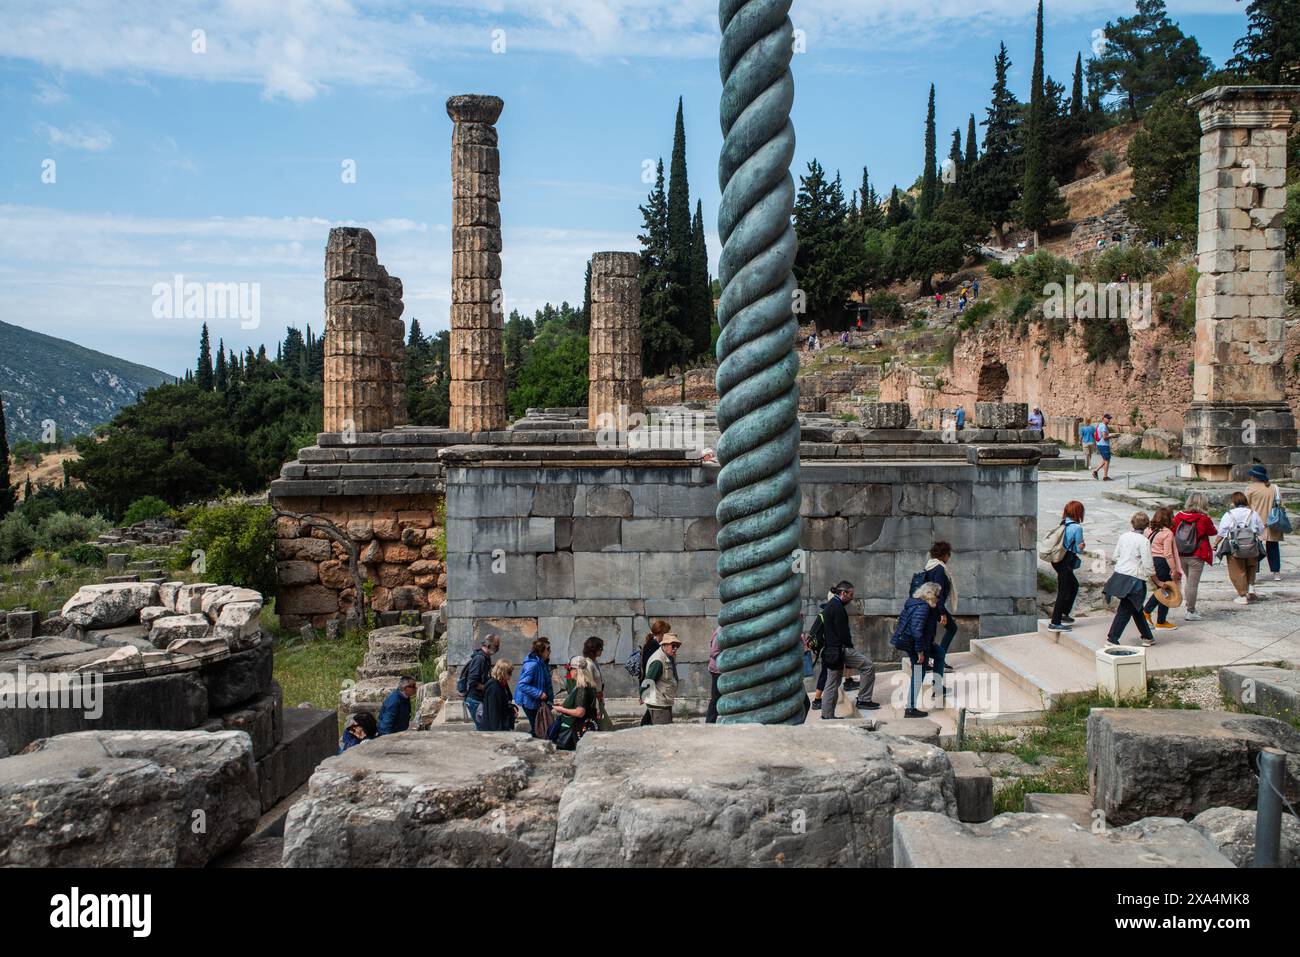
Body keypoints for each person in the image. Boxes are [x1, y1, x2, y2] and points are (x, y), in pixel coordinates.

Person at [820, 580, 879, 719]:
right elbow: (843, 632)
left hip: (832, 650)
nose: (852, 597)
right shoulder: (837, 607)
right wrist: (849, 647)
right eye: (851, 594)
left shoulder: (830, 606)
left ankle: (827, 715)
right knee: (868, 666)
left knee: (832, 683)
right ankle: (864, 699)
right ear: (843, 593)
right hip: (840, 649)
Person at [1103, 512, 1158, 647]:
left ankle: (1147, 637)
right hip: (1134, 579)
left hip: (1120, 575)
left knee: (1136, 608)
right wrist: (1156, 580)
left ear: (1132, 523)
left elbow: (1116, 555)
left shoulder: (1124, 536)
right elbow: (1148, 564)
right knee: (1126, 609)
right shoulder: (1144, 541)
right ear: (1146, 526)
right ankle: (1112, 638)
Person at [891, 581, 942, 718]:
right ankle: (910, 708)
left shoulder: (914, 602)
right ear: (931, 595)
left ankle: (937, 687)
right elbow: (916, 631)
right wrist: (920, 651)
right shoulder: (923, 607)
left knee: (939, 654)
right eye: (938, 595)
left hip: (915, 643)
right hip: (916, 645)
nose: (939, 598)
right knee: (919, 673)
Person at [1173, 492, 1217, 622]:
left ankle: (1189, 607)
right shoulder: (1203, 519)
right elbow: (1212, 531)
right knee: (1193, 584)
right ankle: (1190, 611)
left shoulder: (1179, 516)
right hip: (1197, 554)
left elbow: (1172, 530)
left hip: (1181, 554)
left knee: (1188, 581)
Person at [1217, 491, 1265, 604]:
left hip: (1235, 547)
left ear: (1233, 502)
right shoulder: (1253, 513)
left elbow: (1222, 531)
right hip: (1252, 545)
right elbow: (1261, 529)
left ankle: (1242, 595)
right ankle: (1251, 587)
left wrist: (1215, 544)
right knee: (1251, 566)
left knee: (1237, 570)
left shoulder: (1229, 514)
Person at [920, 542, 958, 684]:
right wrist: (942, 612)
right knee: (952, 628)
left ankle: (934, 658)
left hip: (927, 604)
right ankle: (937, 658)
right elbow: (938, 593)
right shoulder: (940, 570)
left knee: (931, 633)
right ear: (943, 554)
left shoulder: (930, 566)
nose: (950, 556)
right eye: (949, 554)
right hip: (934, 606)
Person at [1142, 508, 1183, 630]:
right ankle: (1149, 613)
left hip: (1150, 560)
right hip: (1162, 563)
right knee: (1166, 589)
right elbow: (1168, 554)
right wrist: (1174, 569)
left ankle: (1160, 619)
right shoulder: (1167, 533)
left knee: (1162, 589)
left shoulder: (1148, 530)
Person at [1048, 501, 1086, 632]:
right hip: (1065, 561)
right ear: (1079, 513)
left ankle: (1064, 613)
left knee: (1073, 585)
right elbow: (1078, 549)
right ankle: (1055, 622)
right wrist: (1081, 547)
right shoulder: (1077, 528)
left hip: (1057, 560)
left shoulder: (1064, 523)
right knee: (1063, 591)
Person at [1246, 465, 1286, 582]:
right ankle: (1276, 572)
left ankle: (1254, 571)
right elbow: (1281, 504)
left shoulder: (1250, 489)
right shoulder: (1274, 488)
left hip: (1256, 522)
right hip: (1273, 521)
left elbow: (1246, 506)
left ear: (1254, 476)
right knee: (1273, 547)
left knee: (1255, 548)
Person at [553, 656, 598, 749]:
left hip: (574, 729)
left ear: (577, 670)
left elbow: (580, 712)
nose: (569, 671)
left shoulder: (582, 688)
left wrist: (561, 709)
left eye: (570, 669)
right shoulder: (588, 685)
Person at [514, 636, 554, 735]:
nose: (550, 651)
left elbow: (547, 684)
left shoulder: (542, 663)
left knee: (540, 727)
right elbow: (522, 685)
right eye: (548, 649)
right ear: (540, 652)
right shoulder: (533, 665)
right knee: (537, 728)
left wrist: (550, 701)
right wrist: (539, 693)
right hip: (529, 702)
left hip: (537, 701)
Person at [640, 633, 682, 724]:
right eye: (673, 646)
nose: (675, 649)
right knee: (664, 734)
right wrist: (642, 695)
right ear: (665, 645)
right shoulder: (658, 661)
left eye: (677, 647)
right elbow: (648, 681)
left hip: (663, 702)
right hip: (659, 705)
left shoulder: (666, 656)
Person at [460, 634, 499, 730]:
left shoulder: (486, 658)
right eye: (496, 646)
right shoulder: (479, 659)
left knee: (485, 728)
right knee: (484, 729)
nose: (498, 649)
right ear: (488, 645)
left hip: (480, 699)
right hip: (475, 700)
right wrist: (488, 688)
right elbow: (472, 681)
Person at [638, 619, 672, 725]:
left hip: (652, 686)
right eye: (666, 633)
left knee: (650, 714)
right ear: (661, 633)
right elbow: (653, 671)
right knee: (654, 711)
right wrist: (643, 693)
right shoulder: (654, 646)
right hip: (653, 688)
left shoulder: (651, 644)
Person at [479, 659, 518, 731]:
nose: (511, 675)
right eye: (509, 673)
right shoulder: (494, 688)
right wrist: (499, 733)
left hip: (503, 724)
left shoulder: (502, 684)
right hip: (496, 729)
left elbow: (506, 701)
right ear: (503, 673)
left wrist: (512, 708)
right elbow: (494, 713)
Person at [581, 636, 611, 731]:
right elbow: (590, 686)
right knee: (602, 726)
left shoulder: (594, 662)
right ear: (594, 649)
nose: (602, 650)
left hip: (599, 698)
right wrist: (596, 705)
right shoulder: (588, 664)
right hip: (594, 701)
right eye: (600, 648)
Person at [706, 626, 722, 724]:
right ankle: (710, 722)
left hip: (720, 669)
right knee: (715, 698)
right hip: (717, 670)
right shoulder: (720, 632)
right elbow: (714, 652)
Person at [1091, 413, 1113, 481]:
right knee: (1107, 461)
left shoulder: (1100, 425)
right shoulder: (1103, 426)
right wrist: (1113, 436)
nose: (1109, 420)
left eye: (1110, 418)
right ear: (1104, 418)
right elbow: (1104, 437)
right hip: (1104, 445)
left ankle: (1095, 471)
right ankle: (1105, 476)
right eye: (1108, 418)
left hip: (1100, 444)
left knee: (1104, 460)